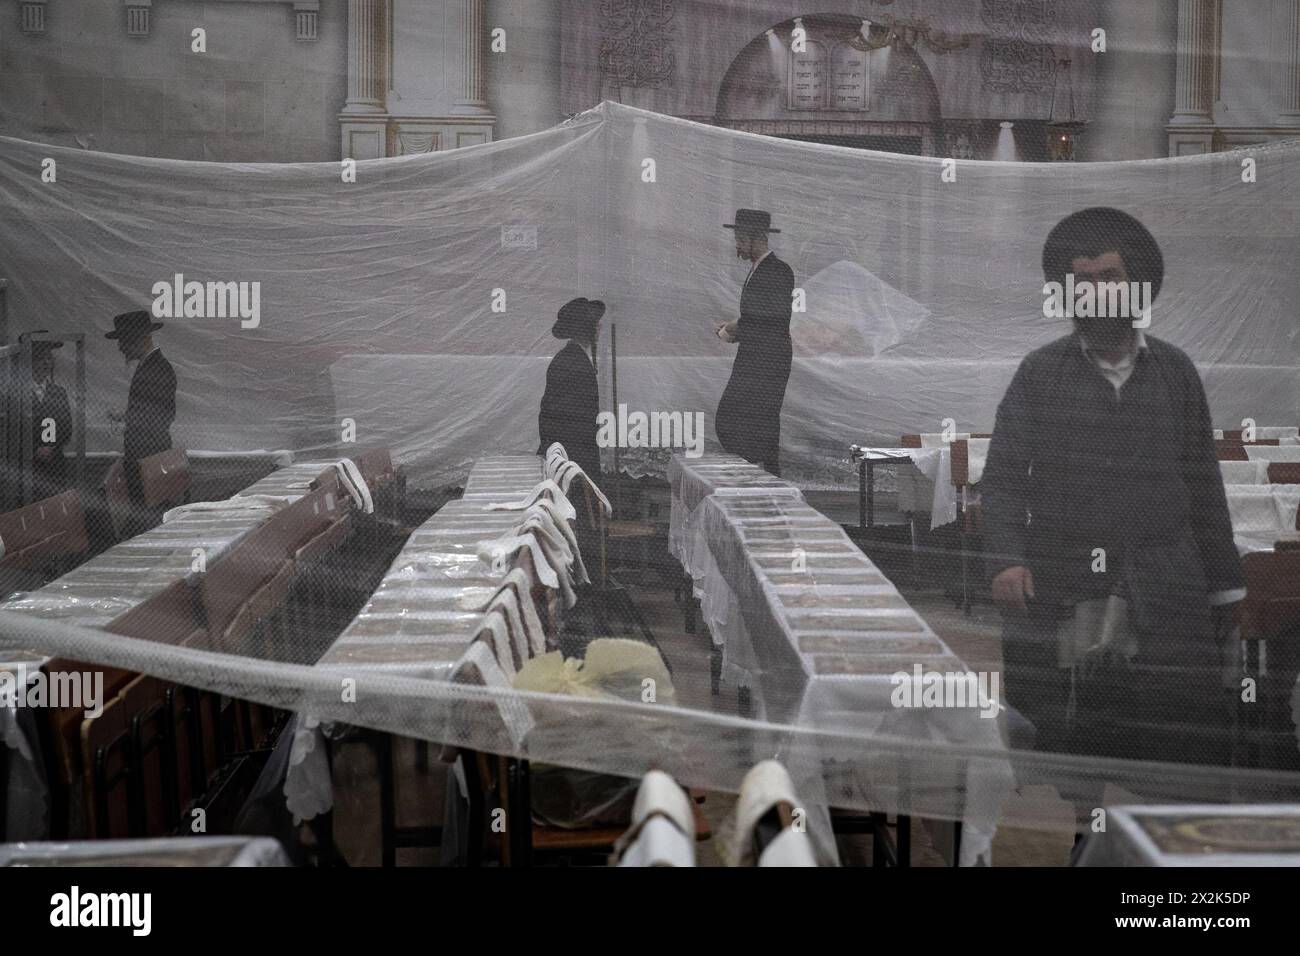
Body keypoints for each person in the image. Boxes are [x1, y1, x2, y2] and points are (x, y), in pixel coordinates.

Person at [981, 207, 1243, 778]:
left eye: (1111, 279)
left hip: (1166, 585)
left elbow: (1203, 484)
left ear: (1137, 286)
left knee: (1174, 749)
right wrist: (1005, 561)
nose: (1098, 293)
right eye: (1085, 281)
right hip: (1065, 583)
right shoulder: (1039, 374)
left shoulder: (1176, 373)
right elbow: (1000, 480)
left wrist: (1225, 588)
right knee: (1072, 754)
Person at [715, 208, 794, 475]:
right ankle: (759, 474)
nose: (737, 246)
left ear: (755, 238)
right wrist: (734, 328)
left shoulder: (779, 272)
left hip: (768, 362)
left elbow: (769, 319)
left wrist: (733, 328)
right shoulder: (758, 270)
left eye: (739, 239)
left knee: (749, 420)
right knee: (748, 422)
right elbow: (757, 318)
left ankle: (763, 476)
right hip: (756, 357)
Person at [106, 310, 176, 528]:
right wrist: (127, 415)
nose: (120, 347)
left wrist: (130, 420)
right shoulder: (152, 367)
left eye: (124, 340)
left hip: (146, 460)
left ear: (140, 339)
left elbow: (157, 417)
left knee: (147, 520)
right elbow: (154, 411)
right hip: (147, 459)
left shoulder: (154, 370)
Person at [537, 297, 604, 480]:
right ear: (587, 330)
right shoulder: (574, 362)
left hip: (569, 455)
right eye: (596, 325)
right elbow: (569, 420)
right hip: (573, 458)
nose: (600, 328)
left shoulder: (570, 358)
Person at [20, 330, 72, 501]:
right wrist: (34, 449)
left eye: (49, 358)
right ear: (29, 361)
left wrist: (51, 447)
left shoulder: (58, 392)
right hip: (25, 468)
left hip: (54, 467)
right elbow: (11, 431)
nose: (46, 363)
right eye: (41, 358)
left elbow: (66, 428)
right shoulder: (15, 394)